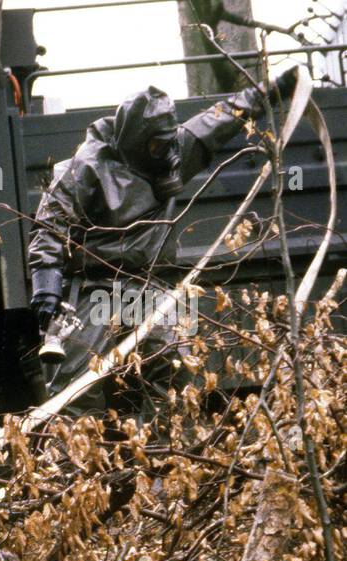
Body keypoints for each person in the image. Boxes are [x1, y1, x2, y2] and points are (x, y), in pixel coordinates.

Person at [28, 67, 300, 417]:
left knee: (176, 380)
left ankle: (164, 464)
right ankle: (78, 465)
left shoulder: (176, 148)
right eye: (156, 145)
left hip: (156, 286)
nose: (165, 153)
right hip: (98, 286)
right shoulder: (85, 167)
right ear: (135, 140)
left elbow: (226, 116)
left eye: (167, 143)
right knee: (75, 388)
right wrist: (46, 288)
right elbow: (50, 225)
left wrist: (275, 88)